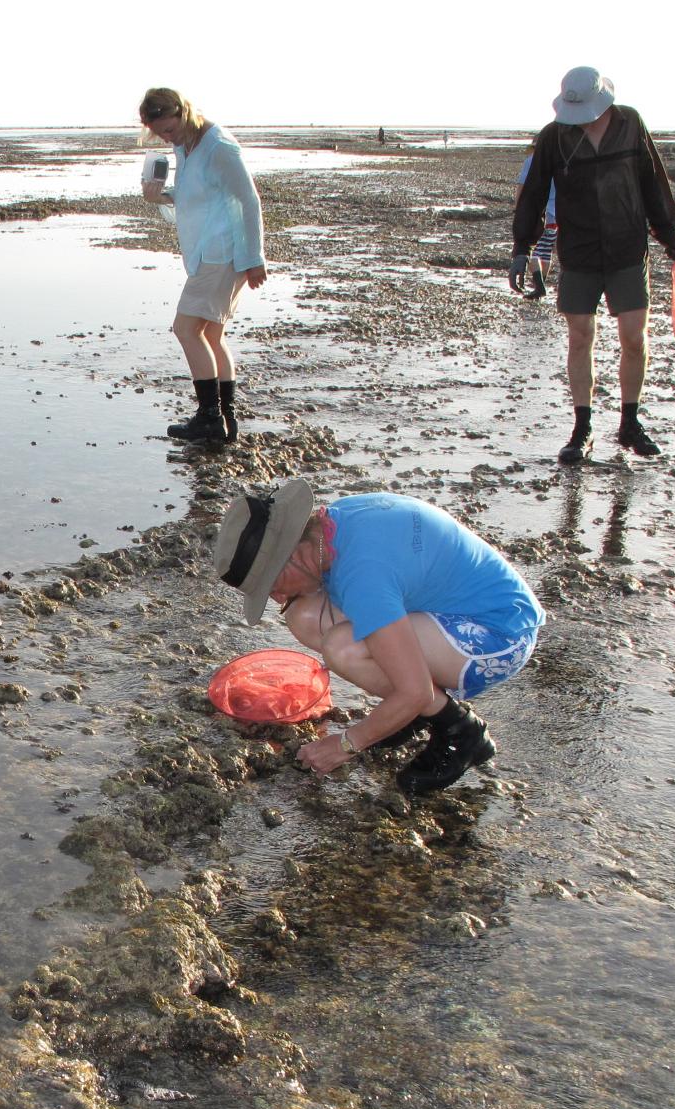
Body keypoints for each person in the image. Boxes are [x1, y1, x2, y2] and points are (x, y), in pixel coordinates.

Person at [213, 479, 544, 794]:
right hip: (450, 612)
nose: (277, 599)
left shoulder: (364, 575)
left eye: (272, 586)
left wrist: (347, 743)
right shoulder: (334, 525)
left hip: (500, 638)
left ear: (293, 558)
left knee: (344, 649)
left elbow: (414, 690)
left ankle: (461, 732)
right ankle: (415, 715)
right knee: (304, 616)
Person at [512, 67, 675, 464]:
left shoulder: (630, 122)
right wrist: (522, 246)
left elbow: (651, 180)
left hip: (627, 247)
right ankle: (582, 428)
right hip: (580, 251)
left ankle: (630, 423)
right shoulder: (555, 135)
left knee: (634, 337)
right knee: (580, 336)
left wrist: (668, 234)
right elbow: (535, 192)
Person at [138, 86, 267, 445]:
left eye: (170, 129)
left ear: (182, 112)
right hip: (206, 253)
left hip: (222, 253)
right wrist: (161, 196)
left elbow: (249, 199)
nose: (168, 137)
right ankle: (225, 420)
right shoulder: (187, 146)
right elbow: (195, 198)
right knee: (211, 334)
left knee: (185, 329)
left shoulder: (218, 146)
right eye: (161, 134)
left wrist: (254, 259)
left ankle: (209, 418)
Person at [514, 153, 556, 299]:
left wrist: (518, 209)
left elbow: (522, 186)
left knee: (533, 251)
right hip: (557, 214)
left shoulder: (532, 161)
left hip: (540, 213)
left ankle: (540, 287)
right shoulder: (560, 159)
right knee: (546, 250)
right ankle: (541, 285)